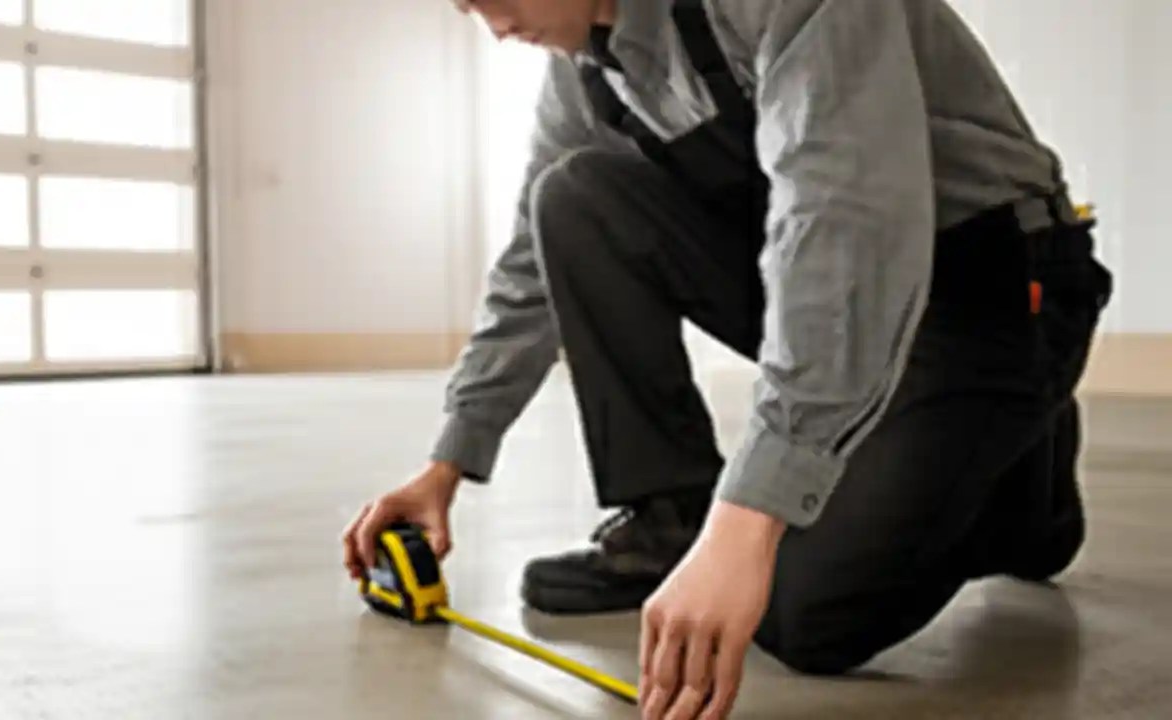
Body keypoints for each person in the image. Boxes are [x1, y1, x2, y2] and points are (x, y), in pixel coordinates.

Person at [342, 0, 1113, 717]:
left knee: (808, 618)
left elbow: (838, 229)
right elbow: (527, 271)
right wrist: (448, 462)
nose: (491, 20)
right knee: (572, 196)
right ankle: (668, 520)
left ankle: (1025, 487)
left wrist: (749, 521)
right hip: (844, 296)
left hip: (993, 286)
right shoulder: (588, 70)